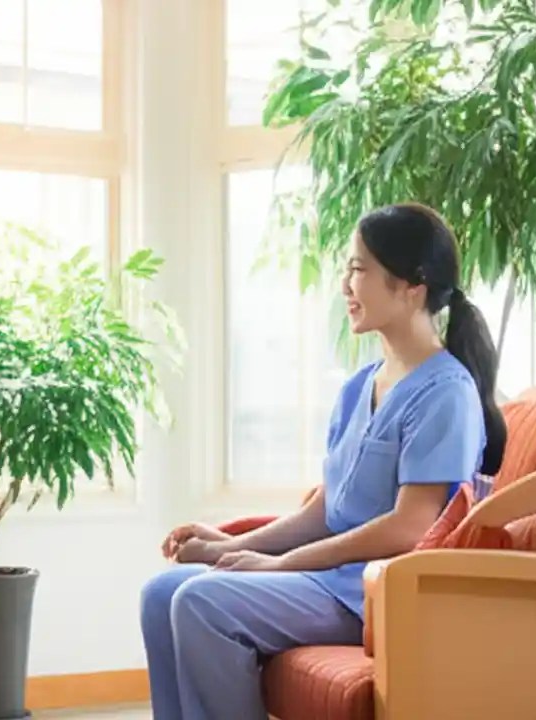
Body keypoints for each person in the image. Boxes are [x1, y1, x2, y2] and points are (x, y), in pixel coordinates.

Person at [141, 203, 508, 720]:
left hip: (374, 593)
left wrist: (279, 565)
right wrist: (231, 544)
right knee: (162, 593)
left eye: (359, 269)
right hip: (328, 578)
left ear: (412, 286)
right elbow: (326, 509)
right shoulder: (361, 385)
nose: (345, 284)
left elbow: (411, 526)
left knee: (203, 603)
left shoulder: (446, 393)